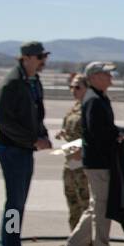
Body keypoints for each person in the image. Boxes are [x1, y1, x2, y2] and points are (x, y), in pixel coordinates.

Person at [61, 62, 124, 246]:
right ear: (95, 77)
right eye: (107, 74)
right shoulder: (94, 100)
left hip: (100, 162)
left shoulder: (98, 98)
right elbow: (98, 133)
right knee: (103, 210)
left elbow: (105, 127)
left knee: (96, 207)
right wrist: (118, 137)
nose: (111, 77)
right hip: (100, 163)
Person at [0, 41, 52, 246]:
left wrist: (43, 134)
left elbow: (37, 113)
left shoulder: (32, 81)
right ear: (26, 58)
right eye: (39, 58)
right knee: (14, 204)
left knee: (18, 203)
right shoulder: (13, 83)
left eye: (44, 57)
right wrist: (31, 140)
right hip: (12, 149)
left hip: (24, 149)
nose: (43, 62)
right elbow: (4, 121)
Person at [56, 74, 90, 234]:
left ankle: (86, 241)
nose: (73, 90)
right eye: (71, 87)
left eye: (77, 87)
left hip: (82, 164)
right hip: (70, 161)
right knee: (72, 202)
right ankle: (74, 240)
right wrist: (63, 133)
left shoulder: (90, 108)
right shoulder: (75, 107)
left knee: (85, 203)